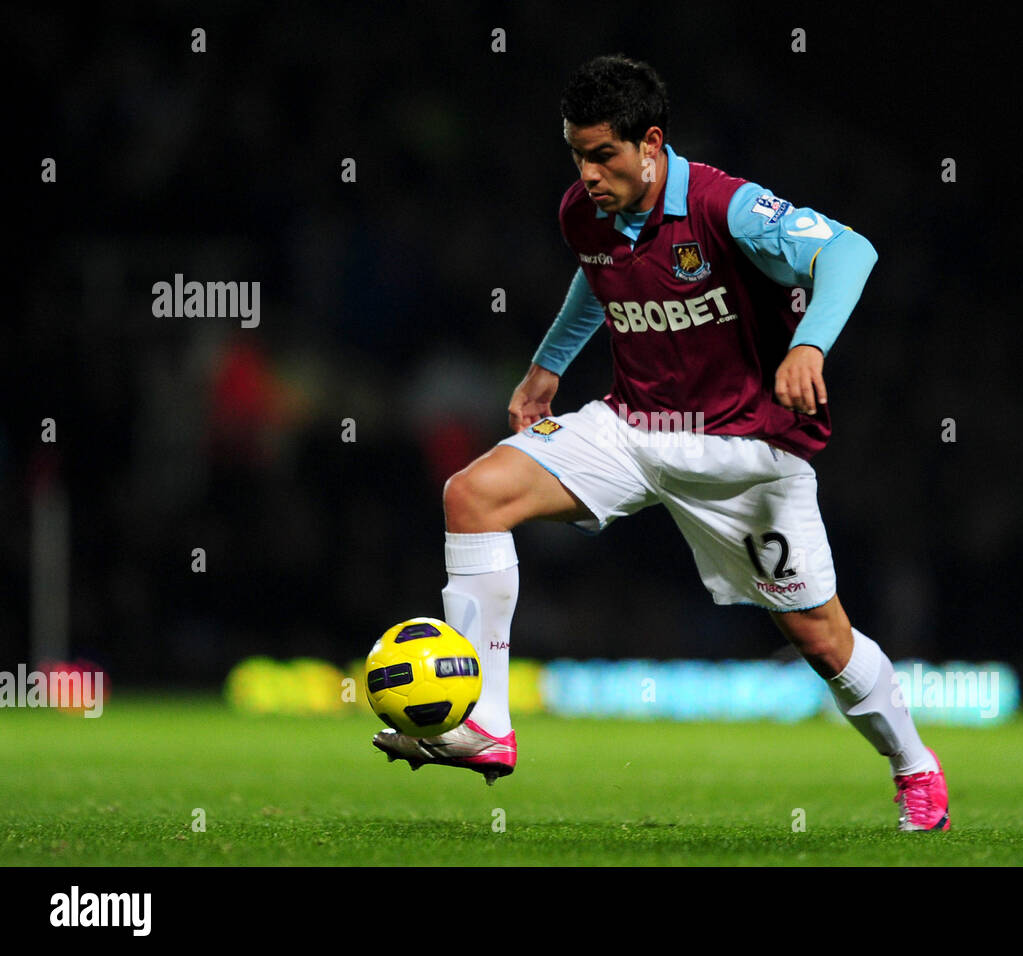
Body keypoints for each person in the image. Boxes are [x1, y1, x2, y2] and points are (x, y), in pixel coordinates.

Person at [375, 54, 949, 830]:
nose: (588, 174)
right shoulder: (585, 211)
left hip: (744, 454)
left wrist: (808, 346)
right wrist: (548, 365)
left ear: (651, 142)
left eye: (603, 154)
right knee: (472, 495)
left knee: (820, 637)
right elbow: (598, 275)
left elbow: (851, 251)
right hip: (633, 425)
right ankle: (485, 723)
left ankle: (914, 765)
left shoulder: (726, 206)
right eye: (576, 155)